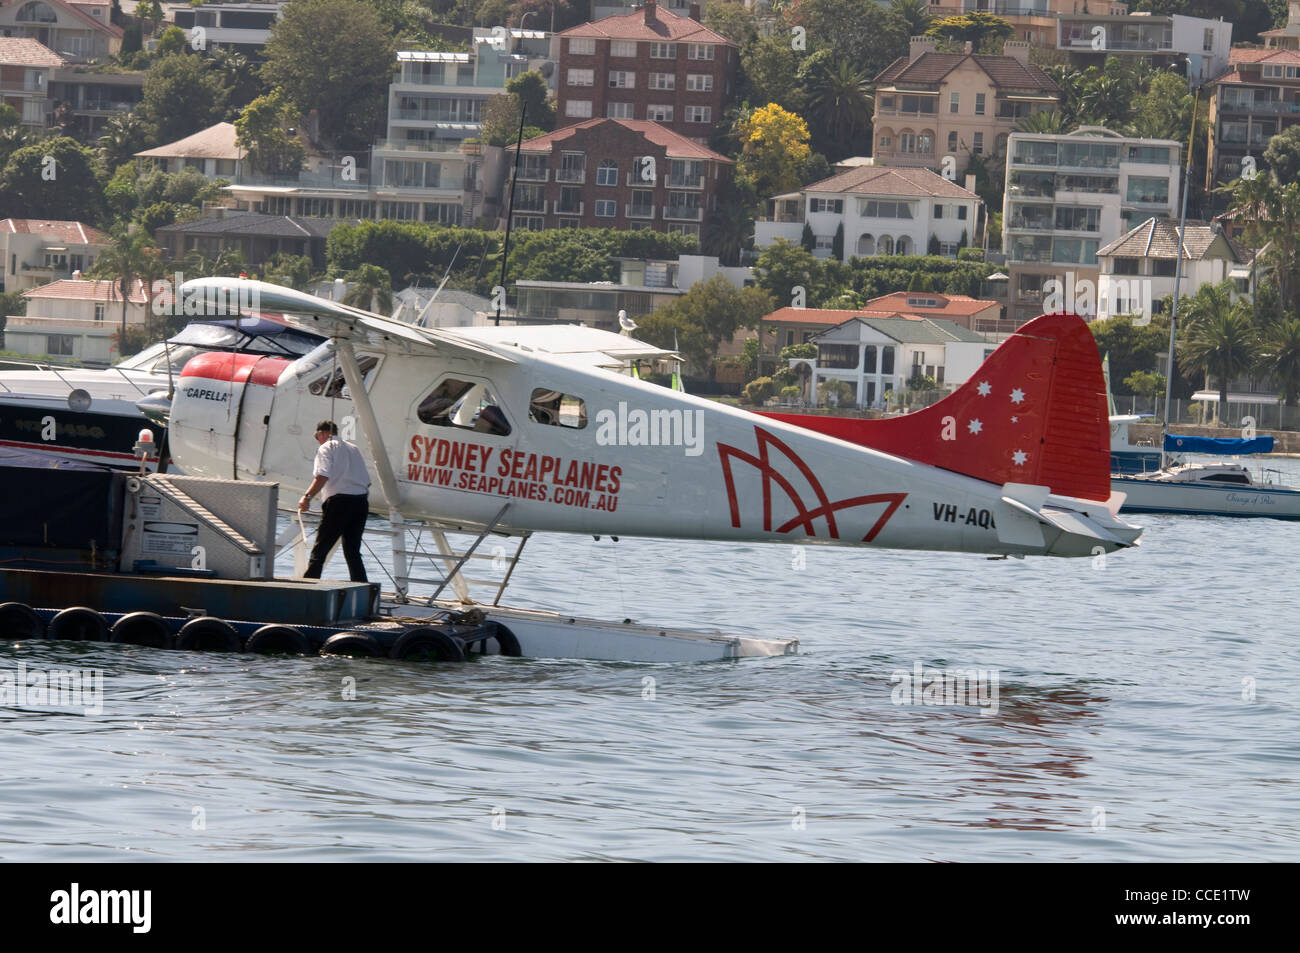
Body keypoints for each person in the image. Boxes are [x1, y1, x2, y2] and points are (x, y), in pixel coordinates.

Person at [298, 420, 371, 582]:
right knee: (352, 551)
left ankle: (309, 585)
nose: (318, 440)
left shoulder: (326, 447)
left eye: (318, 436)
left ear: (322, 433)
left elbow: (322, 476)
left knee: (320, 549)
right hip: (360, 502)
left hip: (339, 503)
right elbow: (367, 482)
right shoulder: (353, 448)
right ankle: (361, 585)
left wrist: (307, 497)